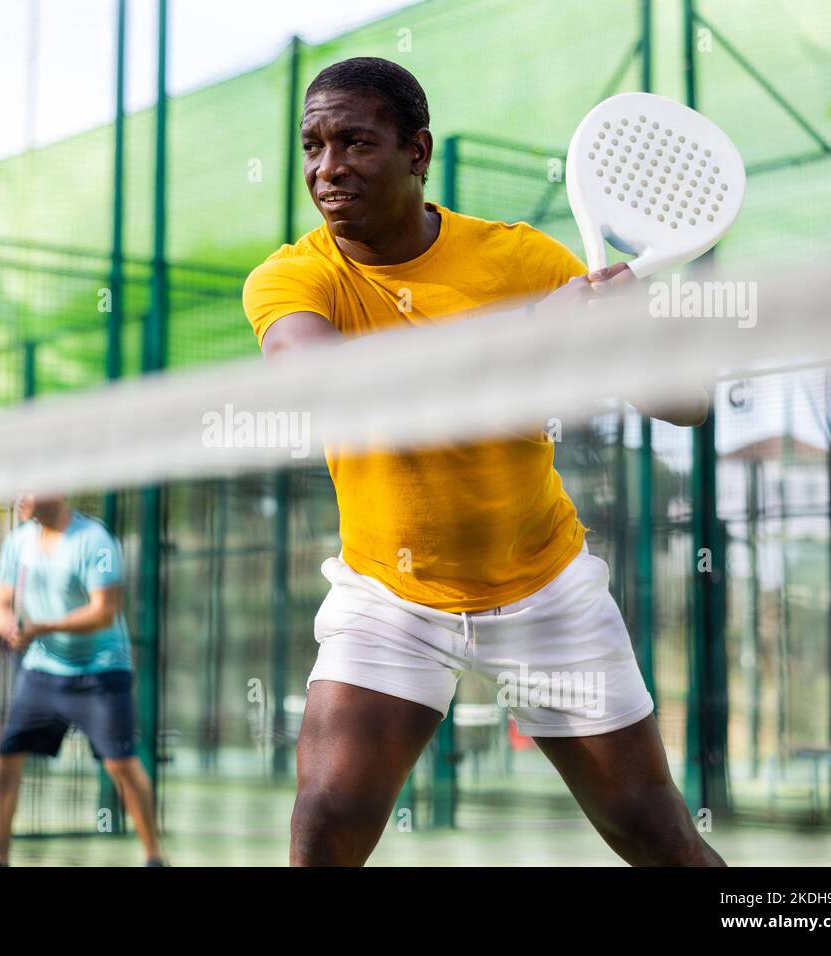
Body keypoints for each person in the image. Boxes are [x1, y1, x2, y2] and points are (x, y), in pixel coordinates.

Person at [242, 56, 724, 867]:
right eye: (313, 146)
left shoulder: (520, 259)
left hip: (544, 593)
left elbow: (688, 405)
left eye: (356, 142)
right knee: (324, 825)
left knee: (655, 834)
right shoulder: (293, 275)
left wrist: (633, 334)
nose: (328, 170)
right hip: (390, 599)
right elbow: (322, 382)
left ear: (417, 152)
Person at [0, 493, 165, 866]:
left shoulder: (95, 541)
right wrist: (7, 627)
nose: (22, 497)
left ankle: (154, 856)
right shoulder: (17, 543)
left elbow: (104, 611)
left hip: (100, 673)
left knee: (120, 764)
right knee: (5, 757)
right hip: (41, 673)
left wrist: (39, 627)